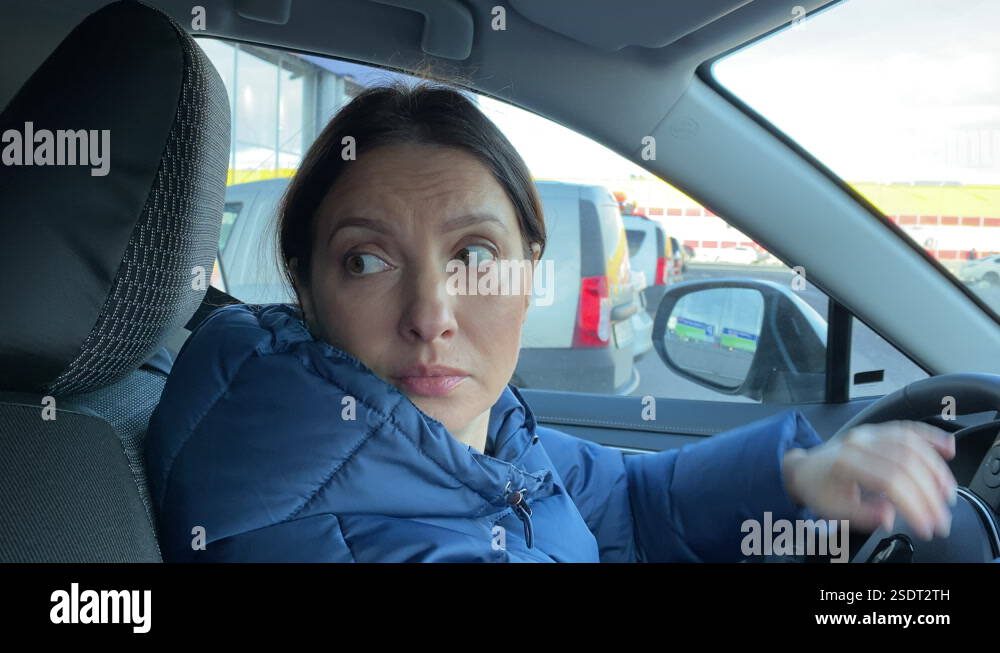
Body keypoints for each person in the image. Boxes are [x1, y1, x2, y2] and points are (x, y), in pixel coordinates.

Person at [144, 80, 958, 562]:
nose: (432, 316)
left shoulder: (470, 433)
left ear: (530, 271)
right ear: (307, 289)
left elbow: (628, 501)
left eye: (474, 255)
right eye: (365, 260)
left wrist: (794, 479)